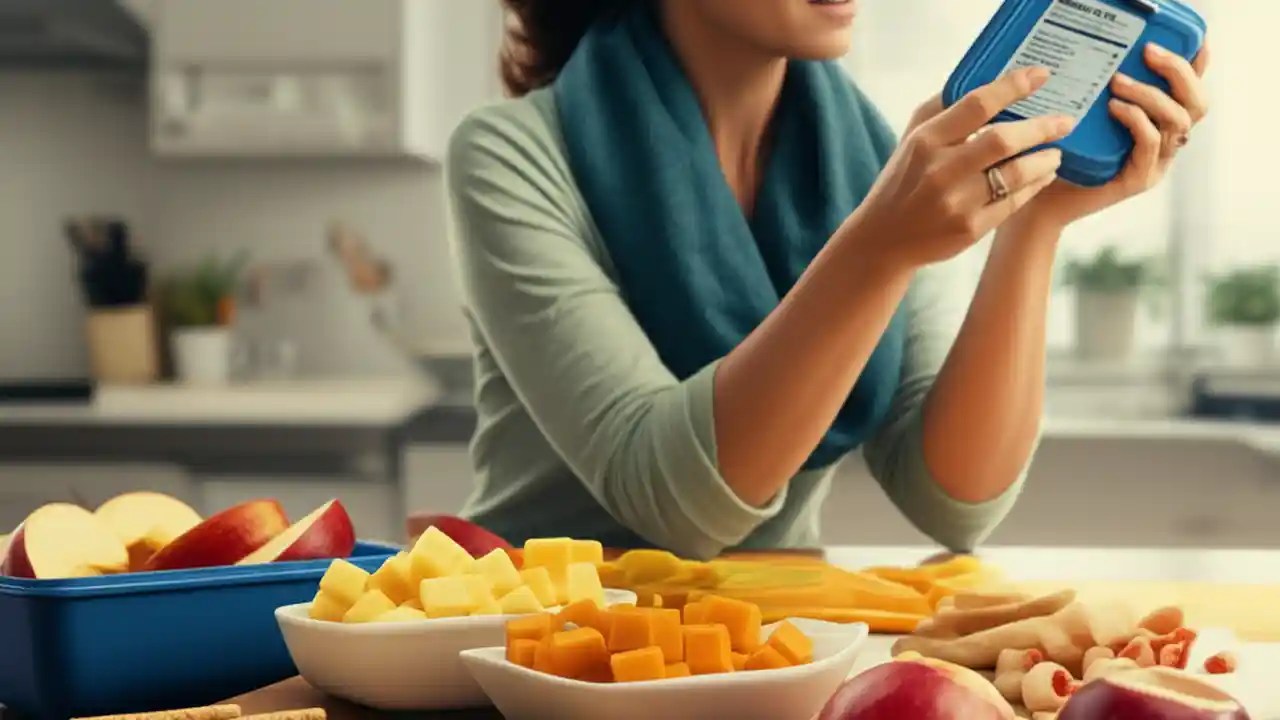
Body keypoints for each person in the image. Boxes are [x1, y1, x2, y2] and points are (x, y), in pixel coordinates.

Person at [444, 0, 1210, 560]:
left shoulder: (871, 160)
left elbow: (953, 501)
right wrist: (875, 249)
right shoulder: (510, 153)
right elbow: (673, 503)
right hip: (529, 653)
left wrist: (1036, 225)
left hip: (771, 650)